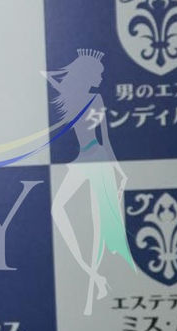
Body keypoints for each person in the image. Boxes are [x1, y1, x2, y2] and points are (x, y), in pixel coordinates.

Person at [45, 49, 134, 316]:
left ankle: (91, 293)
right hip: (84, 158)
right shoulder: (74, 97)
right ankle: (95, 277)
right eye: (97, 72)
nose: (101, 76)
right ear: (86, 74)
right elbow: (54, 79)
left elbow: (106, 140)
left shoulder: (95, 99)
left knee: (97, 223)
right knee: (57, 209)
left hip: (97, 158)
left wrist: (119, 172)